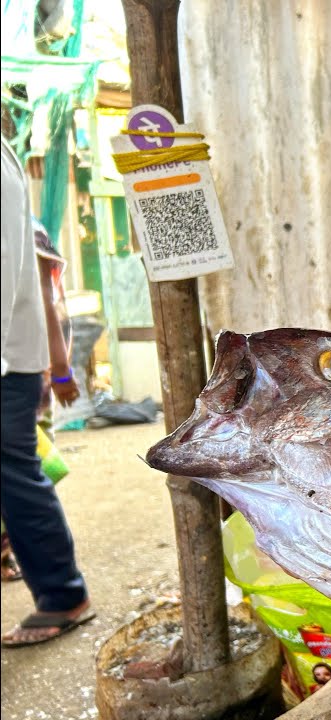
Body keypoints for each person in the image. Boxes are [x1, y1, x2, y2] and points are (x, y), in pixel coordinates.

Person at [1, 136, 94, 647]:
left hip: (10, 359)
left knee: (16, 476)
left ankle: (61, 594)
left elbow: (24, 285)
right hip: (16, 356)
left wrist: (60, 368)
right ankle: (60, 591)